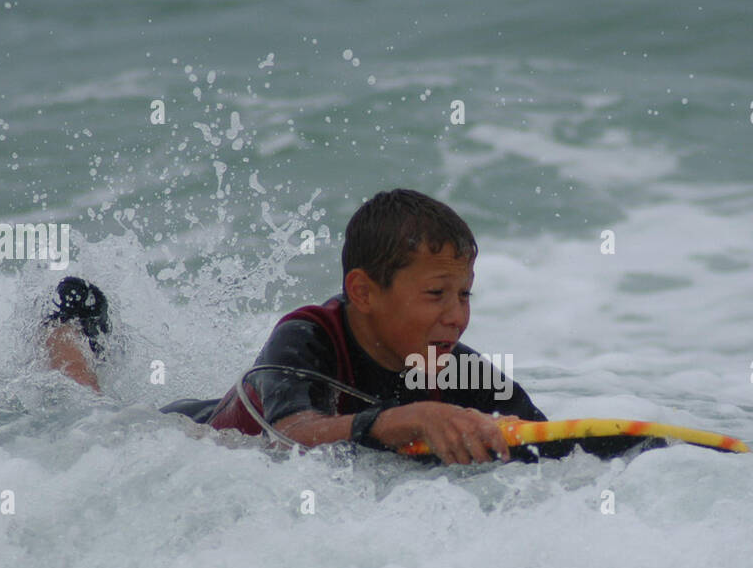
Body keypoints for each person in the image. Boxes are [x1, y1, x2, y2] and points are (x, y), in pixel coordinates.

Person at [48, 189, 546, 465]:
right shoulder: (309, 336)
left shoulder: (454, 367)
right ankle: (68, 329)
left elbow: (545, 439)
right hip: (187, 435)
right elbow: (292, 435)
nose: (456, 314)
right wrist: (411, 419)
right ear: (365, 292)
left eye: (464, 294)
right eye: (436, 294)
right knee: (88, 414)